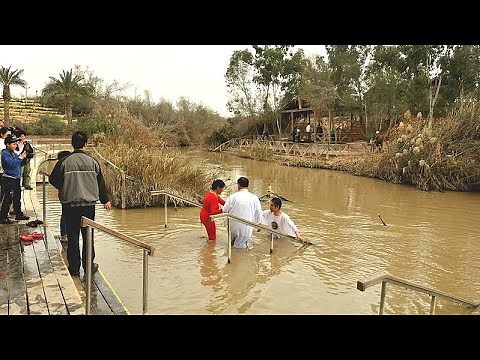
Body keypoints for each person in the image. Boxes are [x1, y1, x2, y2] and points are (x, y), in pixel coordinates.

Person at [49, 131, 111, 277]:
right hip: (89, 206)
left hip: (70, 206)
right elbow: (100, 183)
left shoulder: (64, 161)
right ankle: (89, 266)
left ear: (72, 144)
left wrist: (63, 187)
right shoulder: (93, 162)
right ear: (85, 144)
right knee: (88, 236)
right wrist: (105, 200)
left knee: (73, 237)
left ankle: (74, 268)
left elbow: (53, 179)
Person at [222, 176, 262, 249]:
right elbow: (258, 212)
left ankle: (231, 258)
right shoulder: (254, 198)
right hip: (246, 226)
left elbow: (225, 210)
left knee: (232, 244)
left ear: (239, 185)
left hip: (233, 225)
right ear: (248, 185)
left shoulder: (232, 196)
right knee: (243, 246)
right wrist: (259, 224)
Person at [0, 134, 30, 224]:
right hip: (9, 179)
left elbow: (18, 163)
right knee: (8, 198)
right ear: (7, 144)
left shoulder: (13, 153)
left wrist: (24, 158)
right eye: (13, 144)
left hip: (16, 178)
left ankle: (18, 214)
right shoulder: (5, 153)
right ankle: (3, 217)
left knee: (17, 197)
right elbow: (11, 164)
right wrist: (20, 158)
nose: (15, 145)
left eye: (16, 144)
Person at [56, 150, 71, 243]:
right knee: (65, 214)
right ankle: (65, 234)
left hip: (63, 193)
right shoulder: (64, 167)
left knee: (65, 214)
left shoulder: (61, 167)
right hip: (66, 194)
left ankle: (64, 234)